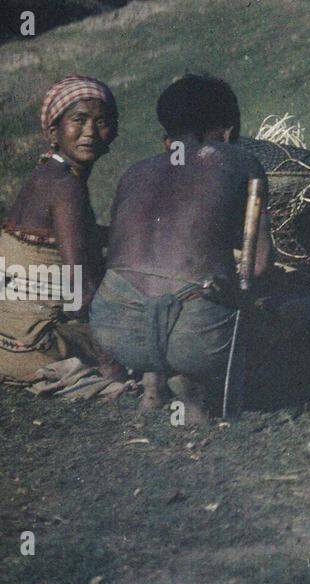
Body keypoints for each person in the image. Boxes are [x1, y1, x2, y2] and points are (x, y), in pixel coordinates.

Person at [92, 75, 271, 425]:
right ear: (229, 130)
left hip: (115, 327)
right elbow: (259, 264)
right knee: (291, 311)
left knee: (157, 289)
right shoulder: (242, 162)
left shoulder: (134, 171)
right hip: (197, 338)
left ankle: (153, 382)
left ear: (167, 134)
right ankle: (191, 385)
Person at [1, 77, 125, 389]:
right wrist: (113, 366)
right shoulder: (67, 187)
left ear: (114, 131)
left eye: (101, 122)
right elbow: (79, 294)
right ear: (52, 132)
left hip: (5, 342)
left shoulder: (46, 175)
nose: (90, 132)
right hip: (35, 349)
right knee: (138, 327)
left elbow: (77, 234)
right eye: (78, 120)